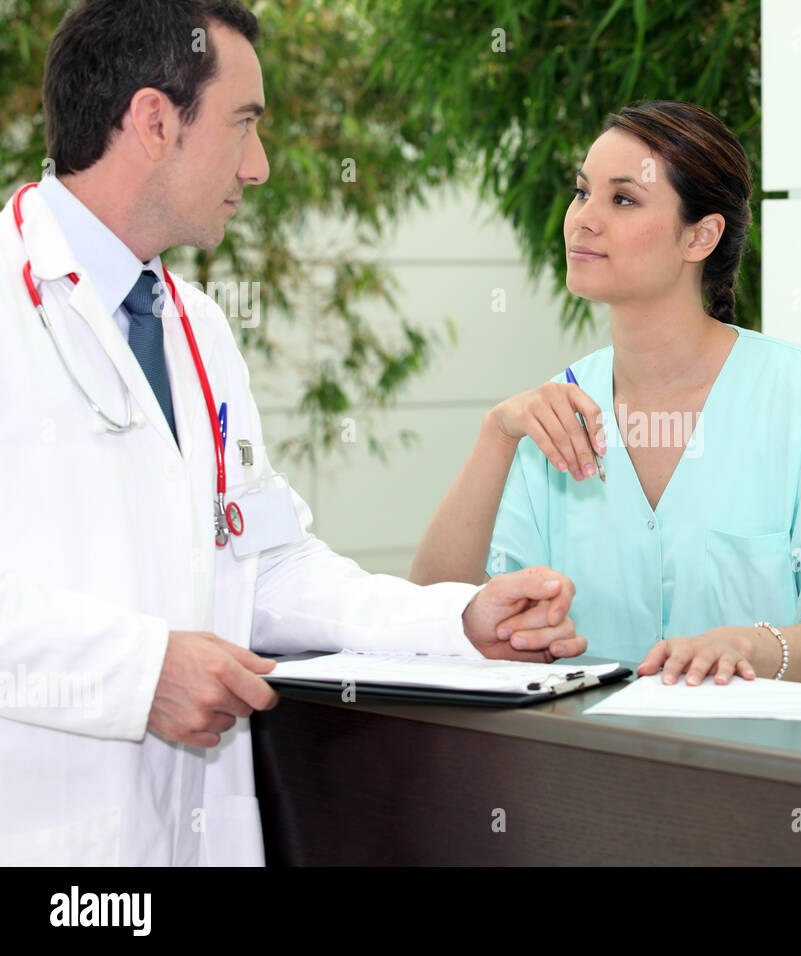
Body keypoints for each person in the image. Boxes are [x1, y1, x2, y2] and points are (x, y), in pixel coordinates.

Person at [0, 0, 584, 867]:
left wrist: (456, 618)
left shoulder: (197, 329)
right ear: (155, 121)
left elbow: (269, 563)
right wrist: (137, 670)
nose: (261, 165)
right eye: (244, 126)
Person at [410, 101, 801, 691]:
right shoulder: (556, 411)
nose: (583, 219)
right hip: (605, 771)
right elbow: (435, 611)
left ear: (701, 236)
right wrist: (497, 434)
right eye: (582, 193)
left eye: (623, 199)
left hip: (780, 772)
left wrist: (748, 645)